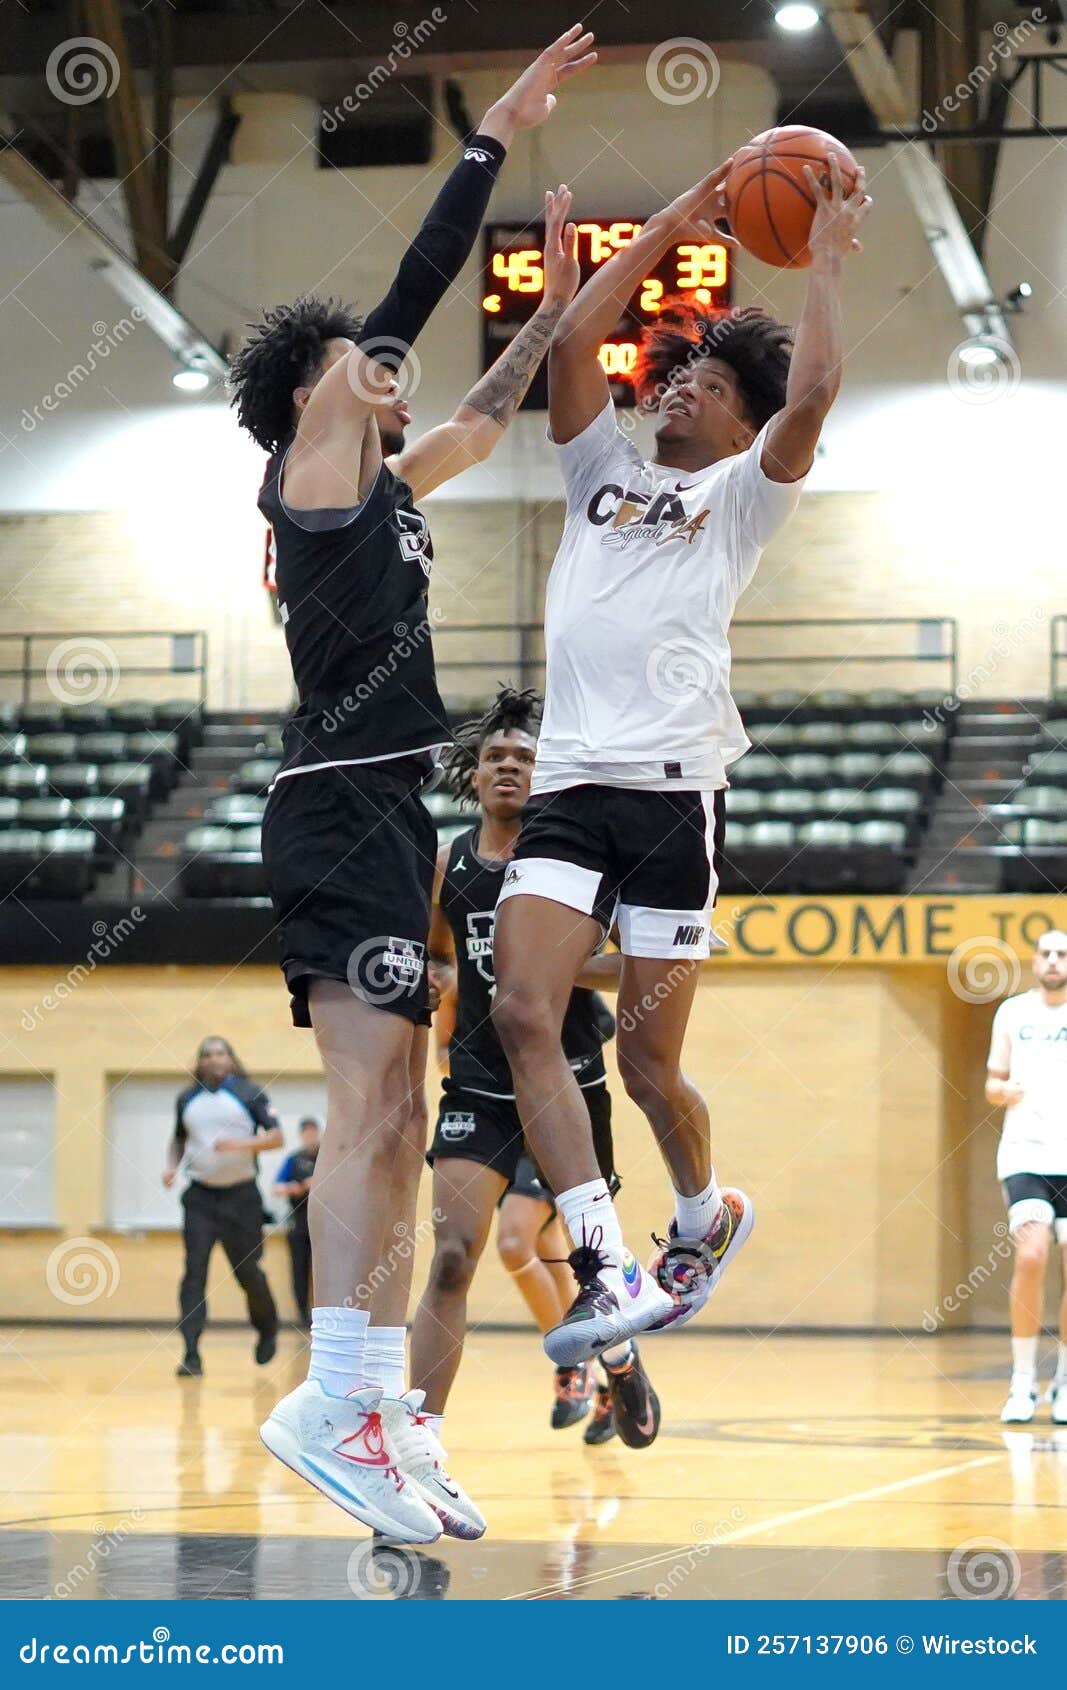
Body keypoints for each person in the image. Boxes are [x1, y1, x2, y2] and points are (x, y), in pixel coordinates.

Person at [230, 29, 596, 1544]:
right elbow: (400, 319)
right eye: (353, 369)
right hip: (335, 800)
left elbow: (488, 413)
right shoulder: (312, 470)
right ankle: (328, 1390)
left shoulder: (383, 483)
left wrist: (572, 309)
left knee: (389, 1115)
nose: (383, 376)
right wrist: (492, 139)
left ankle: (372, 1398)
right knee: (364, 1106)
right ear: (317, 396)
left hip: (391, 815)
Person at [491, 153, 872, 1363]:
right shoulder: (598, 472)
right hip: (566, 787)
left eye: (706, 383)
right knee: (520, 1008)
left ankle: (703, 1216)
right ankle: (605, 1266)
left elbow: (809, 396)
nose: (679, 391)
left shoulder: (745, 497)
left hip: (670, 796)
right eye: (676, 375)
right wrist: (673, 219)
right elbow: (574, 343)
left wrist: (814, 264)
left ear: (737, 422)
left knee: (652, 1067)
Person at [408, 689, 659, 1519]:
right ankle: (417, 1451)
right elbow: (437, 961)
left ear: (548, 776)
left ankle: (614, 1360)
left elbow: (643, 972)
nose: (508, 765)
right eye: (494, 756)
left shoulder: (574, 870)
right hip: (476, 1085)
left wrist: (551, 966)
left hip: (566, 1081)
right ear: (473, 775)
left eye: (524, 757)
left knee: (576, 1258)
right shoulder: (449, 866)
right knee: (453, 1257)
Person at [163, 1037, 283, 1378]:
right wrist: (171, 1166)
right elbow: (178, 1139)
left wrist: (241, 1144)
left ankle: (267, 1328)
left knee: (248, 1273)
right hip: (200, 1198)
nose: (214, 1059)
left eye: (220, 1053)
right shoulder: (187, 1098)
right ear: (199, 1062)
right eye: (207, 1054)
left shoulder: (249, 1094)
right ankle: (191, 1353)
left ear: (231, 1059)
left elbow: (277, 1137)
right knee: (194, 1274)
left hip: (241, 1200)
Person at [986, 931, 1067, 1424]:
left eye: (1063, 954)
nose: (1054, 961)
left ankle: (1062, 1382)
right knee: (1033, 1253)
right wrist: (1004, 1091)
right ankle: (1022, 1383)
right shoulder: (1013, 1013)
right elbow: (991, 1082)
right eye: (1047, 953)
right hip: (1026, 1157)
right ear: (1035, 962)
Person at [273, 1117, 321, 1328]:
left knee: (323, 1272)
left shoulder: (327, 1158)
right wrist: (297, 1187)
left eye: (313, 1132)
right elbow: (277, 1188)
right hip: (299, 1224)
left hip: (323, 1226)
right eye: (306, 1133)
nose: (310, 1137)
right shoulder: (294, 1160)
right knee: (299, 1271)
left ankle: (322, 1313)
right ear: (302, 1135)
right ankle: (303, 1316)